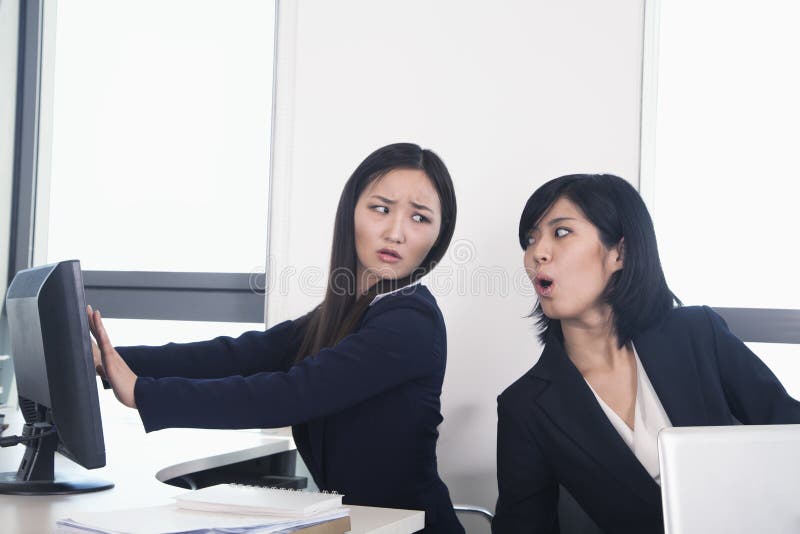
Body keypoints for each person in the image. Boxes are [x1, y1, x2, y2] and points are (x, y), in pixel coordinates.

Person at [89, 143, 465, 533]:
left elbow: (293, 393)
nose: (396, 232)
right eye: (381, 209)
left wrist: (144, 394)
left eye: (419, 218)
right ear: (351, 211)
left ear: (438, 237)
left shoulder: (409, 321)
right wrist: (109, 358)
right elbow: (241, 356)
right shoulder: (350, 312)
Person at [491, 174, 800, 534]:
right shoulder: (525, 406)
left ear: (619, 252)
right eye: (530, 239)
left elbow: (790, 432)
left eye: (561, 232)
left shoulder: (698, 334)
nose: (537, 252)